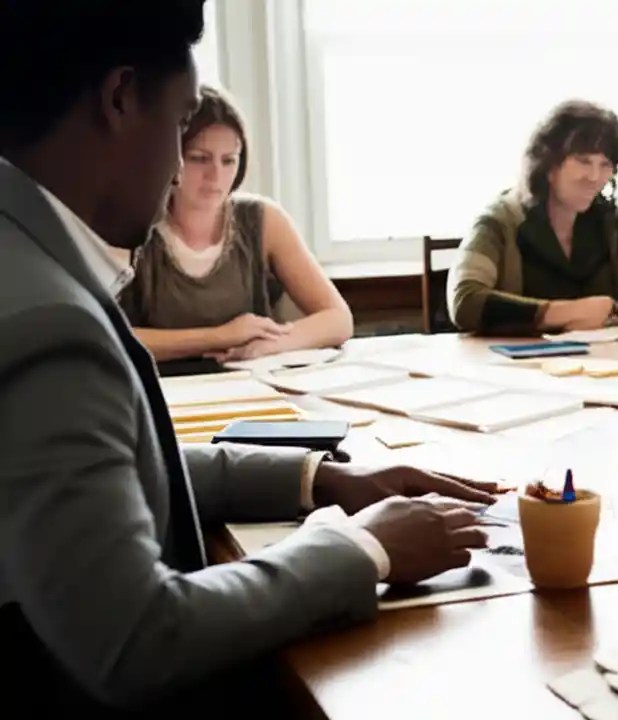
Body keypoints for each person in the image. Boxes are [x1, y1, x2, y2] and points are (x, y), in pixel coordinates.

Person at [0, 2, 497, 713]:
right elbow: (138, 639)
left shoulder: (27, 252)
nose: (180, 163)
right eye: (178, 126)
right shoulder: (48, 324)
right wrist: (363, 551)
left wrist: (321, 479)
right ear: (118, 98)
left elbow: (126, 471)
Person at [118, 84, 353, 363]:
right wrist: (219, 336)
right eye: (199, 158)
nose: (216, 175)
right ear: (170, 155)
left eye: (229, 160)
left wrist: (272, 344)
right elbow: (112, 335)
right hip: (168, 392)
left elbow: (338, 318)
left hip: (253, 384)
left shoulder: (263, 219)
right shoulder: (131, 224)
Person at [448, 100, 618, 335]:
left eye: (605, 164)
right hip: (518, 365)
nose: (595, 176)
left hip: (601, 361)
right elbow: (466, 300)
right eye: (583, 161)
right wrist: (565, 313)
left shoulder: (610, 221)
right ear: (548, 164)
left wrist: (615, 311)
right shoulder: (500, 220)